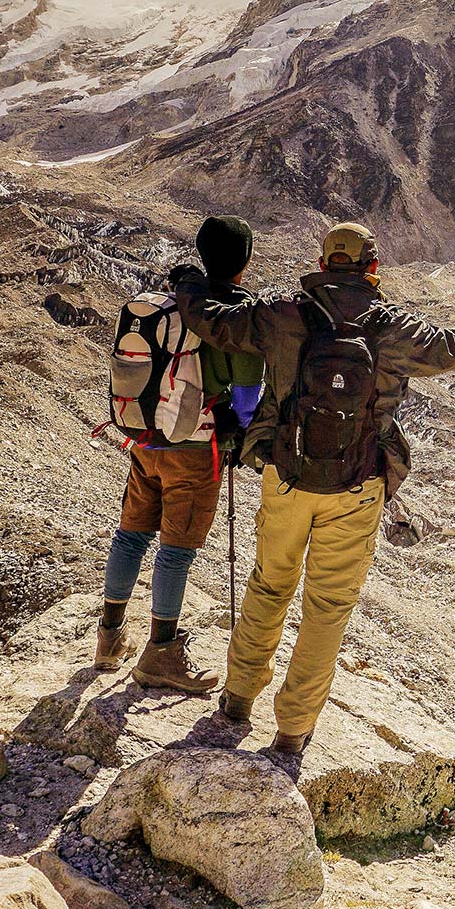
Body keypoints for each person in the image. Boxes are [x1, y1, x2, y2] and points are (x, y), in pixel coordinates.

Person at [169, 221, 455, 754]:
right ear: (372, 267)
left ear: (324, 262)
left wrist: (189, 284)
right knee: (327, 607)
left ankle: (238, 698)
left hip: (287, 476)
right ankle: (292, 731)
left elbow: (211, 320)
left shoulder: (283, 315)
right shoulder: (392, 328)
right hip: (356, 488)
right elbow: (454, 349)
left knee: (268, 585)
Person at [95, 215, 266, 691]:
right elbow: (249, 399)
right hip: (194, 450)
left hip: (146, 441)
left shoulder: (173, 301)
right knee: (176, 548)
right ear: (244, 262)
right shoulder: (230, 317)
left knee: (131, 536)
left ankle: (108, 640)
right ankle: (162, 655)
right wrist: (239, 422)